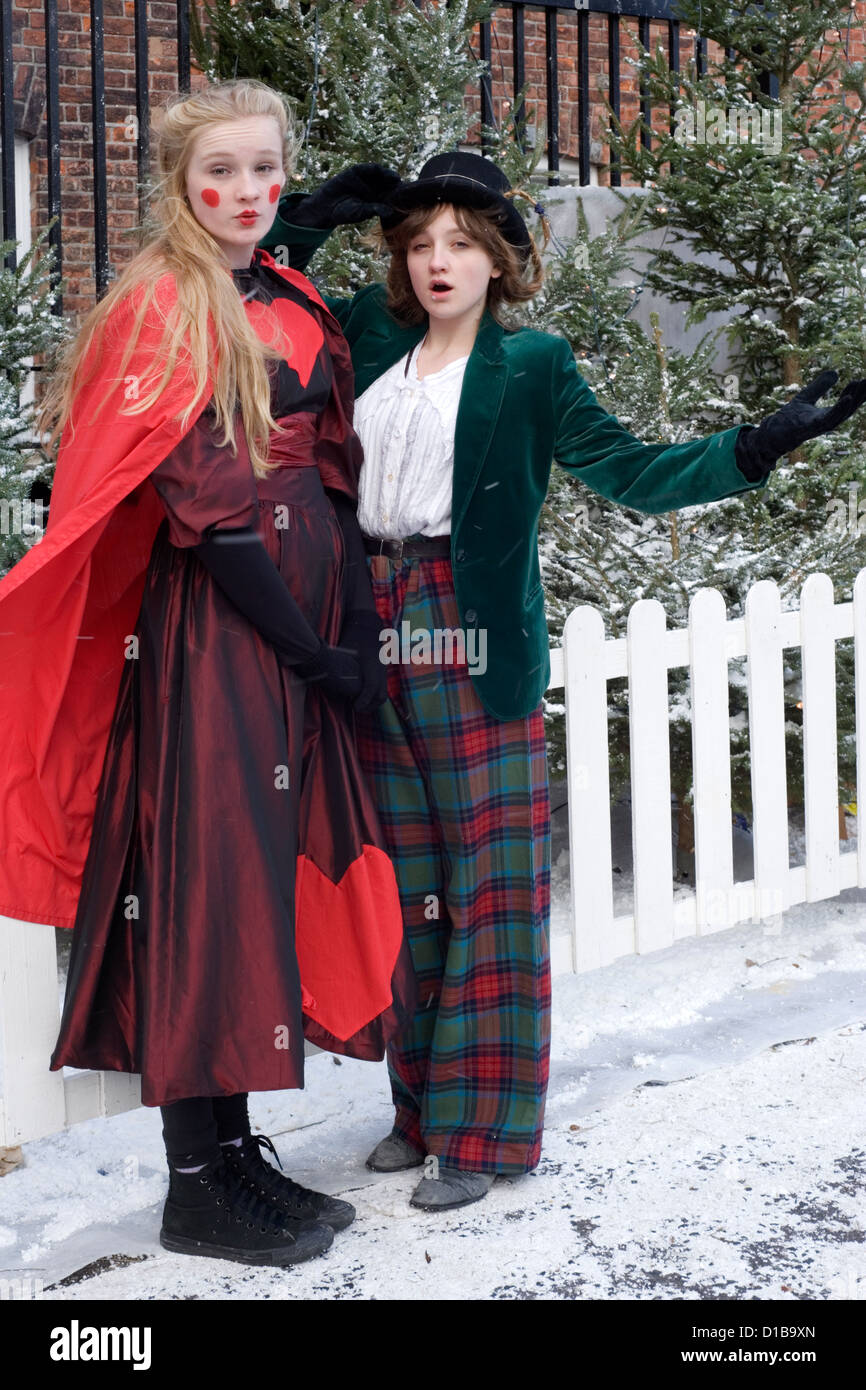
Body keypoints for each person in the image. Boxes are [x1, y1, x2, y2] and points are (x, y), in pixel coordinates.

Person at [260, 149, 866, 1213]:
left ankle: (484, 1138)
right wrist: (303, 223)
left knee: (489, 888)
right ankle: (415, 1111)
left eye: (460, 244)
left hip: (468, 623)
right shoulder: (366, 332)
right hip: (366, 612)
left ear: (499, 259)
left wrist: (757, 446)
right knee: (408, 887)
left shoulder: (530, 365)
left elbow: (631, 471)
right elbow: (258, 304)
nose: (438, 262)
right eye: (419, 243)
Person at [0, 79, 414, 1267]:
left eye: (263, 171)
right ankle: (195, 1184)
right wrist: (310, 649)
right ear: (179, 185)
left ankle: (236, 1156)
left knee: (267, 887)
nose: (243, 193)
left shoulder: (277, 288)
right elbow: (212, 515)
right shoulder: (159, 310)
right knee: (208, 890)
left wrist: (355, 628)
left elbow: (329, 460)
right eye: (217, 173)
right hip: (222, 638)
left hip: (305, 618)